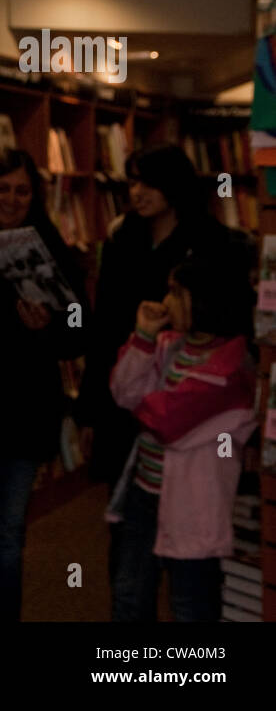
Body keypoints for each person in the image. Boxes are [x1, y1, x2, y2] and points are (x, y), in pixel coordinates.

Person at [78, 144, 247, 486]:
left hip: (185, 389)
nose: (138, 192)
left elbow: (231, 323)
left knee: (182, 499)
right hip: (126, 384)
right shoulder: (121, 238)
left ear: (174, 184)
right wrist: (90, 409)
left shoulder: (212, 243)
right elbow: (105, 325)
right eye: (133, 182)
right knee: (125, 505)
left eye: (149, 183)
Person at [0, 148, 87, 620]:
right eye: (1, 189)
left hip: (24, 414)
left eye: (22, 190)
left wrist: (48, 326)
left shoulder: (52, 246)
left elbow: (79, 333)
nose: (11, 199)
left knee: (5, 533)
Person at [106, 258, 257, 621]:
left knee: (190, 604)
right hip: (145, 492)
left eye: (177, 293)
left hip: (193, 505)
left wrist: (141, 404)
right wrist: (142, 336)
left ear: (207, 300)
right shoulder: (170, 344)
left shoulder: (232, 367)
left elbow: (166, 421)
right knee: (129, 594)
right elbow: (123, 391)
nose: (166, 301)